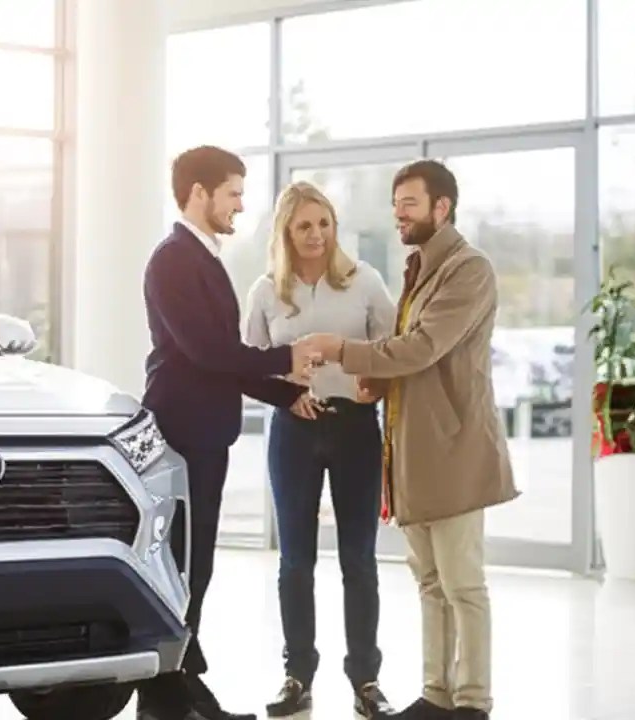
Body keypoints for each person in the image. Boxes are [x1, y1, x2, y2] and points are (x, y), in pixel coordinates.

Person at [299, 159, 520, 720]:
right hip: (414, 451)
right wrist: (378, 377)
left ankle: (472, 701)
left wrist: (341, 350)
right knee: (428, 581)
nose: (398, 212)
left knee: (462, 584)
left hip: (455, 452)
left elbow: (422, 347)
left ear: (442, 208)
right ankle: (436, 694)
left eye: (410, 203)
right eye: (396, 202)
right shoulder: (420, 268)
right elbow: (412, 355)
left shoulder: (469, 269)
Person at [140, 145, 322, 720]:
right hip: (183, 431)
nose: (242, 205)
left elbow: (217, 361)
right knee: (182, 563)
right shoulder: (173, 259)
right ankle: (167, 696)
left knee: (196, 565)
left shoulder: (203, 256)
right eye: (234, 193)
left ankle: (180, 687)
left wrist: (286, 394)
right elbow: (206, 351)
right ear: (199, 192)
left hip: (204, 432)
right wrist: (287, 358)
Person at [242, 181, 397, 719]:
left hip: (355, 427)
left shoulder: (365, 281)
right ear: (286, 231)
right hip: (293, 432)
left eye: (324, 223)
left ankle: (366, 680)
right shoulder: (266, 292)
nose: (316, 234)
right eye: (304, 225)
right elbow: (250, 367)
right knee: (295, 563)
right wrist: (287, 396)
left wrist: (376, 385)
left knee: (359, 559)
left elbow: (393, 350)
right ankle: (297, 675)